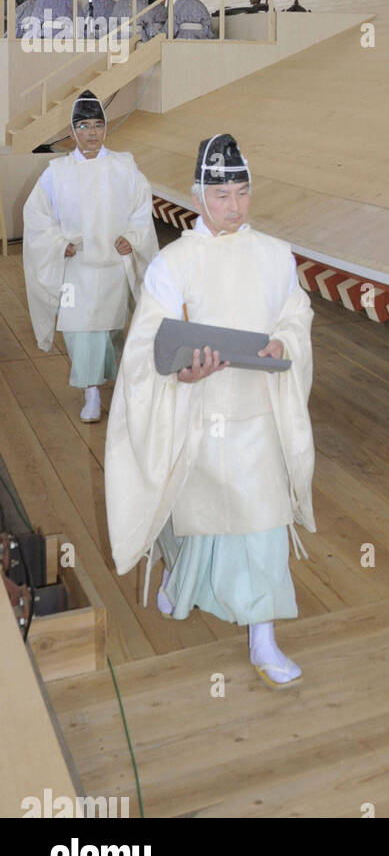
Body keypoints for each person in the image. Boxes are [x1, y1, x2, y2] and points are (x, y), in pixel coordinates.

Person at [104, 134, 316, 687]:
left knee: (264, 523)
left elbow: (296, 314)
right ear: (199, 196)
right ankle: (185, 579)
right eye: (221, 195)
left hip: (257, 412)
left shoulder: (275, 255)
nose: (234, 206)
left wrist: (285, 345)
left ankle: (264, 638)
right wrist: (180, 372)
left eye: (242, 193)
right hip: (199, 414)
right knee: (202, 525)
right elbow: (147, 347)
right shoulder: (174, 264)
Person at [21, 91, 159, 422]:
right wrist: (58, 243)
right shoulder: (57, 172)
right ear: (72, 132)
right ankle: (91, 392)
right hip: (75, 267)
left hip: (112, 265)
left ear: (106, 129)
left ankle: (111, 378)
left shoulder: (124, 166)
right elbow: (37, 215)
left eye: (98, 125)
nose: (92, 133)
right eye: (84, 126)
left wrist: (133, 237)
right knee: (80, 330)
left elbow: (141, 209)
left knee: (109, 329)